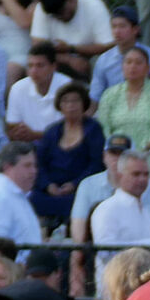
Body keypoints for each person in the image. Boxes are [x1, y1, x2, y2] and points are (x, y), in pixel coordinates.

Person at [98, 43, 150, 184]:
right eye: (128, 62)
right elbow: (103, 127)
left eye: (138, 62)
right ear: (122, 67)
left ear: (148, 68)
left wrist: (140, 154)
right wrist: (115, 151)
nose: (132, 66)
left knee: (140, 176)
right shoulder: (110, 94)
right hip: (117, 153)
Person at [89, 151, 150, 288]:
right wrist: (149, 243)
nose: (142, 179)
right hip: (115, 293)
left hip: (141, 291)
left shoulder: (145, 212)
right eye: (136, 174)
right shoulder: (107, 209)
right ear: (120, 175)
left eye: (146, 174)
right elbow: (105, 251)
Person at [32, 83, 103, 223]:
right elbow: (39, 163)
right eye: (66, 101)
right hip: (51, 189)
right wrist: (48, 185)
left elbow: (96, 164)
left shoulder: (94, 129)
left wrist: (74, 184)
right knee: (34, 199)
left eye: (75, 100)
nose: (71, 105)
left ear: (84, 104)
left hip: (80, 188)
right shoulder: (51, 131)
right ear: (60, 105)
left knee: (77, 202)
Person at [90, 4, 150, 101]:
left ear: (135, 30)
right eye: (114, 26)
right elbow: (95, 98)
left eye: (122, 26)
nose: (117, 31)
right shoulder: (103, 60)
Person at [30, 0, 114, 79]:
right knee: (38, 64)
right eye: (54, 16)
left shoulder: (93, 5)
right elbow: (37, 46)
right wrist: (68, 59)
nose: (58, 18)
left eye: (61, 12)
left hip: (91, 58)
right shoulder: (43, 7)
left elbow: (108, 45)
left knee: (102, 61)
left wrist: (71, 48)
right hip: (59, 59)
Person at [7, 42, 69, 141]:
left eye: (40, 66)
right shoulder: (18, 88)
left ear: (53, 66)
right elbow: (13, 125)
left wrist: (35, 135)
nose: (34, 71)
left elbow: (69, 131)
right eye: (30, 66)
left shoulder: (67, 86)